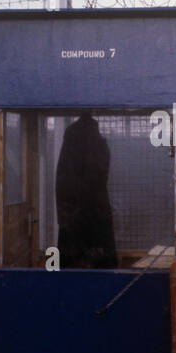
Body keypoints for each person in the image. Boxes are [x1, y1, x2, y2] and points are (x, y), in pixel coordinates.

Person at [55, 112, 118, 268]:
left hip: (73, 211)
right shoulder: (100, 144)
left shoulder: (71, 138)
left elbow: (64, 178)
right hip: (96, 208)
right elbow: (101, 174)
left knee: (73, 258)